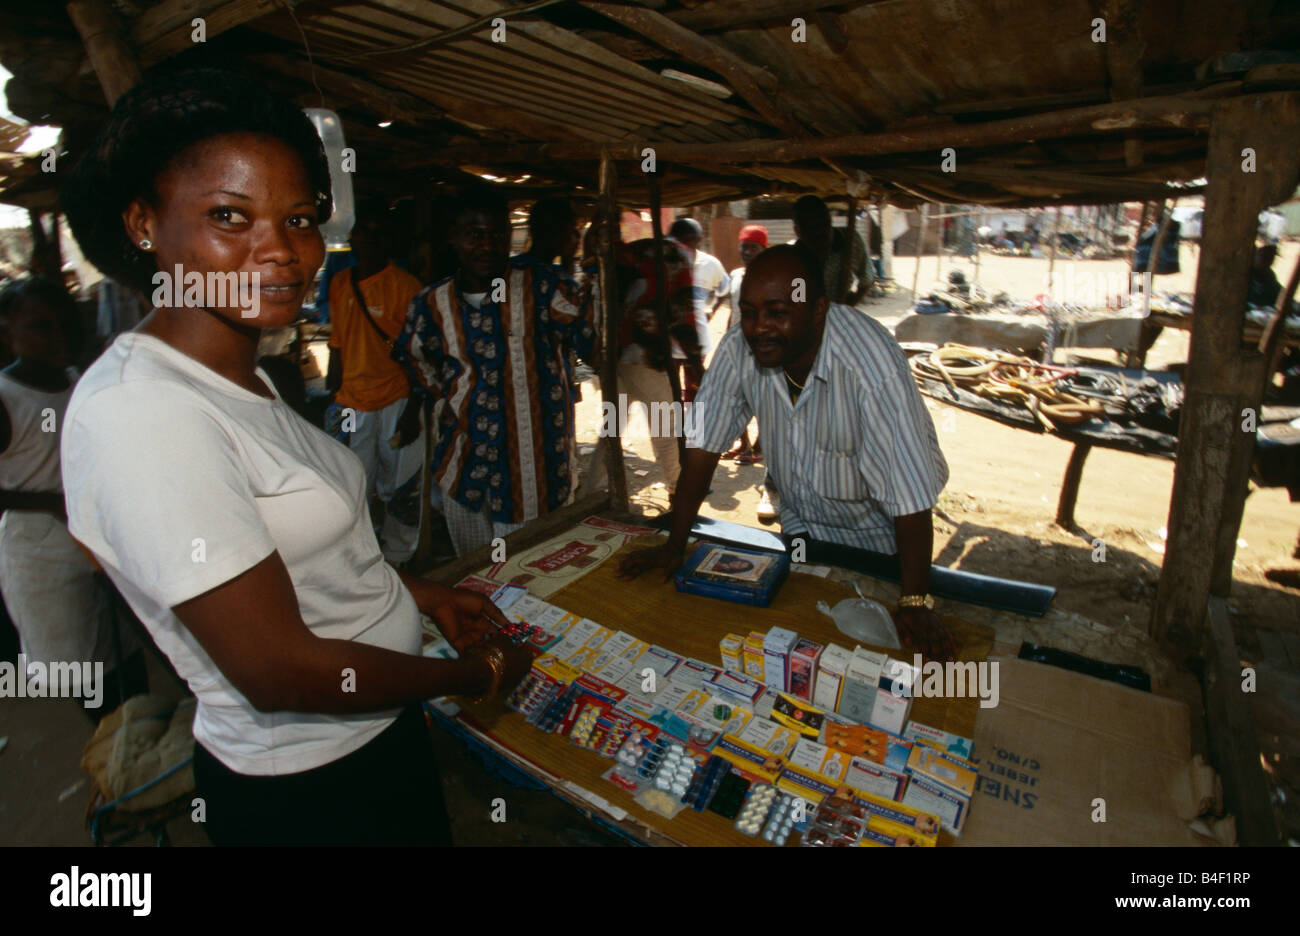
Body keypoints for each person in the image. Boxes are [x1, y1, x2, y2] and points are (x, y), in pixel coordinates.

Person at [59, 69, 533, 845]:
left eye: (302, 219)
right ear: (144, 224)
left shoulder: (239, 371)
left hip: (370, 735)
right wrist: (469, 678)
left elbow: (304, 550)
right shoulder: (141, 412)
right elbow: (278, 670)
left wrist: (416, 594)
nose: (281, 251)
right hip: (313, 787)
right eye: (228, 216)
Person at [618, 243, 956, 661]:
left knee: (873, 663)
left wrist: (915, 602)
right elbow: (702, 448)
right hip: (800, 535)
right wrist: (674, 544)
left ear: (817, 311)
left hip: (880, 546)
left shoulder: (870, 364)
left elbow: (910, 497)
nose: (760, 328)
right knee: (797, 655)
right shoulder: (741, 347)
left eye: (777, 313)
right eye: (749, 312)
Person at [392, 187, 597, 557]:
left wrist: (591, 269)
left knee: (529, 574)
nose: (486, 245)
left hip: (534, 476)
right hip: (463, 472)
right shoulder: (430, 305)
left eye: (496, 235)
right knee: (474, 573)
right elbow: (417, 360)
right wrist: (446, 404)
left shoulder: (545, 286)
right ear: (454, 239)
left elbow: (594, 348)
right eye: (474, 234)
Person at [0, 277, 146, 721]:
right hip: (41, 548)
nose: (60, 336)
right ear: (7, 331)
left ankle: (140, 738)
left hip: (94, 535)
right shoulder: (6, 398)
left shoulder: (72, 378)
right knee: (84, 671)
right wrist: (51, 504)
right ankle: (118, 758)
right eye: (42, 327)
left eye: (65, 323)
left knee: (126, 649)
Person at [326, 200, 426, 566]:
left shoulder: (405, 286)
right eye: (362, 232)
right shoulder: (340, 283)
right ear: (352, 238)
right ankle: (359, 554)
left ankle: (399, 556)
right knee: (354, 485)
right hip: (352, 403)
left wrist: (414, 409)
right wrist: (332, 394)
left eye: (377, 233)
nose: (368, 239)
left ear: (388, 240)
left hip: (396, 400)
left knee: (400, 486)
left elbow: (419, 354)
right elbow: (337, 343)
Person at [722, 224, 768, 466]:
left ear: (764, 248)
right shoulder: (736, 275)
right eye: (744, 247)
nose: (748, 252)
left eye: (753, 248)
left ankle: (760, 447)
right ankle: (744, 443)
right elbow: (733, 311)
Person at [668, 217, 728, 402]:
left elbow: (724, 289)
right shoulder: (661, 264)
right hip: (667, 343)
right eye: (684, 242)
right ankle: (678, 428)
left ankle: (694, 428)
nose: (689, 248)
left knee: (694, 390)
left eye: (694, 241)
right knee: (669, 391)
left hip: (697, 340)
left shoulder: (710, 264)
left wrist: (711, 310)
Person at [793, 195, 870, 306]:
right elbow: (798, 300)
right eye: (811, 229)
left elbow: (867, 280)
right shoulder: (794, 258)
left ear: (829, 221)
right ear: (798, 231)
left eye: (823, 225)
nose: (819, 233)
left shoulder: (850, 241)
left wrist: (845, 308)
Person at [1249, 243, 1282, 307]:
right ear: (1255, 255)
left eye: (1271, 258)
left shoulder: (1270, 275)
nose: (1269, 261)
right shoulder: (1244, 272)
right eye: (1264, 257)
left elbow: (1277, 294)